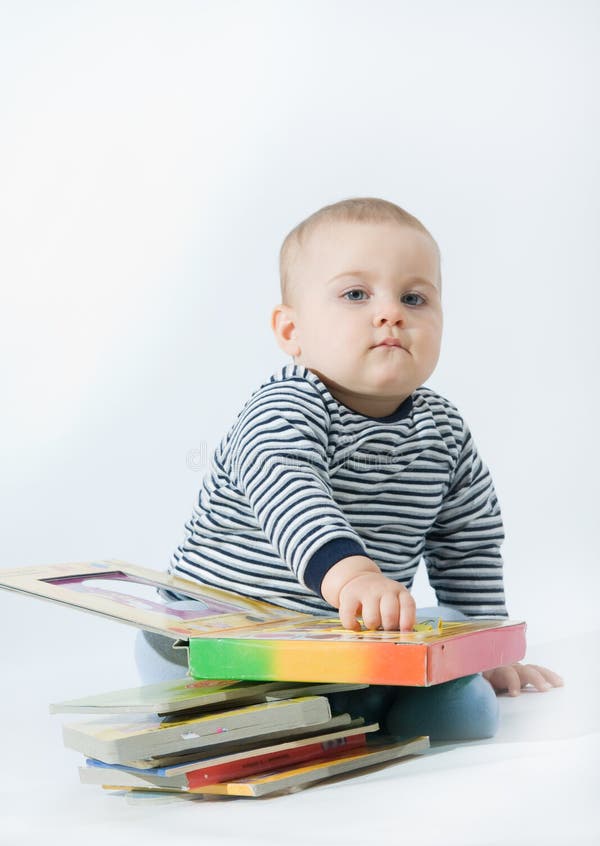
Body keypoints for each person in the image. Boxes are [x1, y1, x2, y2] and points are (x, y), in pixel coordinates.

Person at [135, 196, 563, 740]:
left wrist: (481, 644)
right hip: (214, 636)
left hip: (338, 640)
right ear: (292, 332)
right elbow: (287, 487)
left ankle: (402, 700)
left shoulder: (444, 430)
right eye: (355, 294)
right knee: (226, 703)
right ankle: (270, 713)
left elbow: (469, 539)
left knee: (458, 700)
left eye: (414, 297)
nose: (391, 313)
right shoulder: (287, 406)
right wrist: (353, 574)